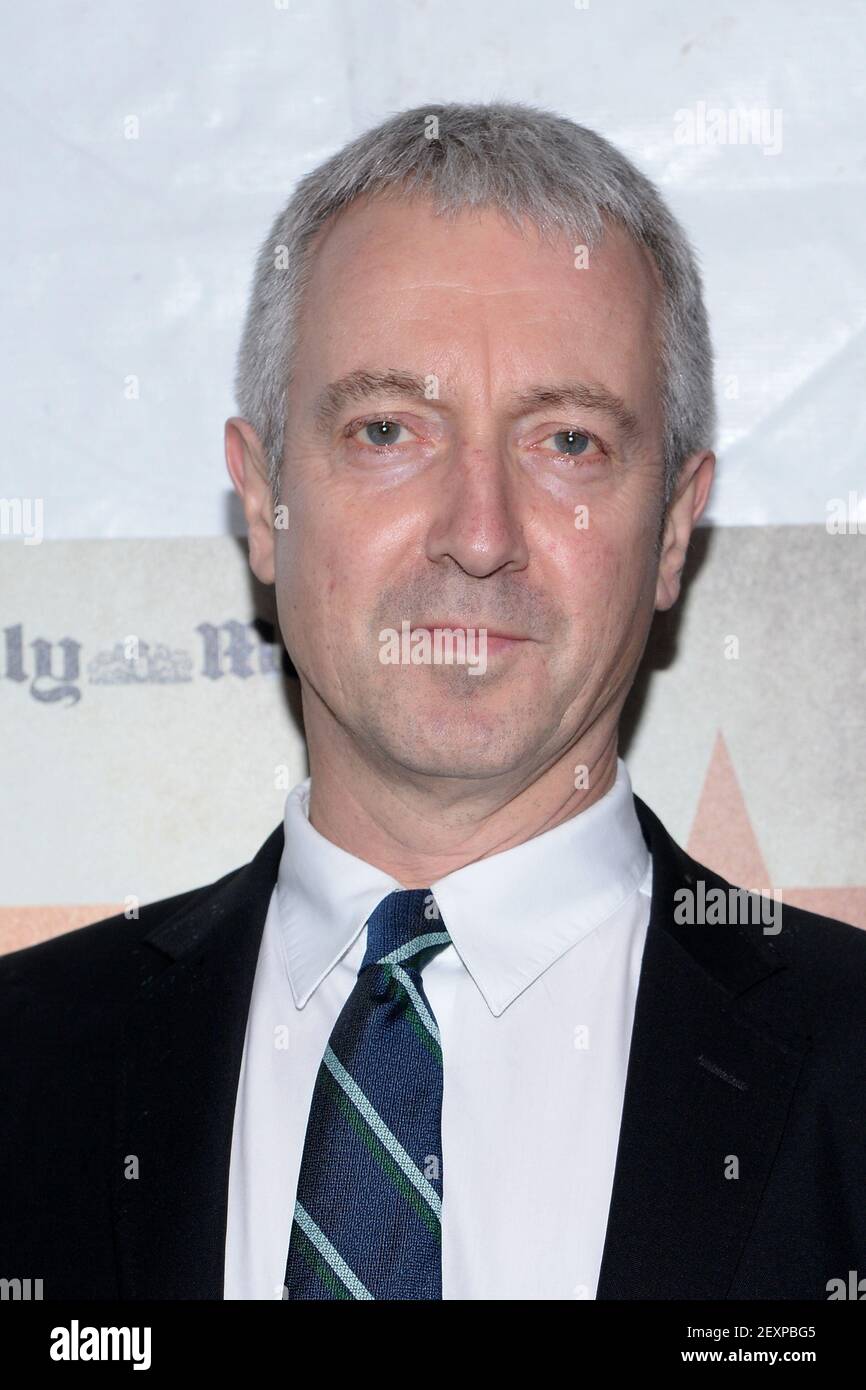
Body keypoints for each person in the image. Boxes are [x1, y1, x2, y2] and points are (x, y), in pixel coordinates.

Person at [2, 101, 864, 1302]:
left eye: (565, 440)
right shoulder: (25, 1065)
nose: (477, 535)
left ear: (672, 529)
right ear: (262, 503)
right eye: (386, 429)